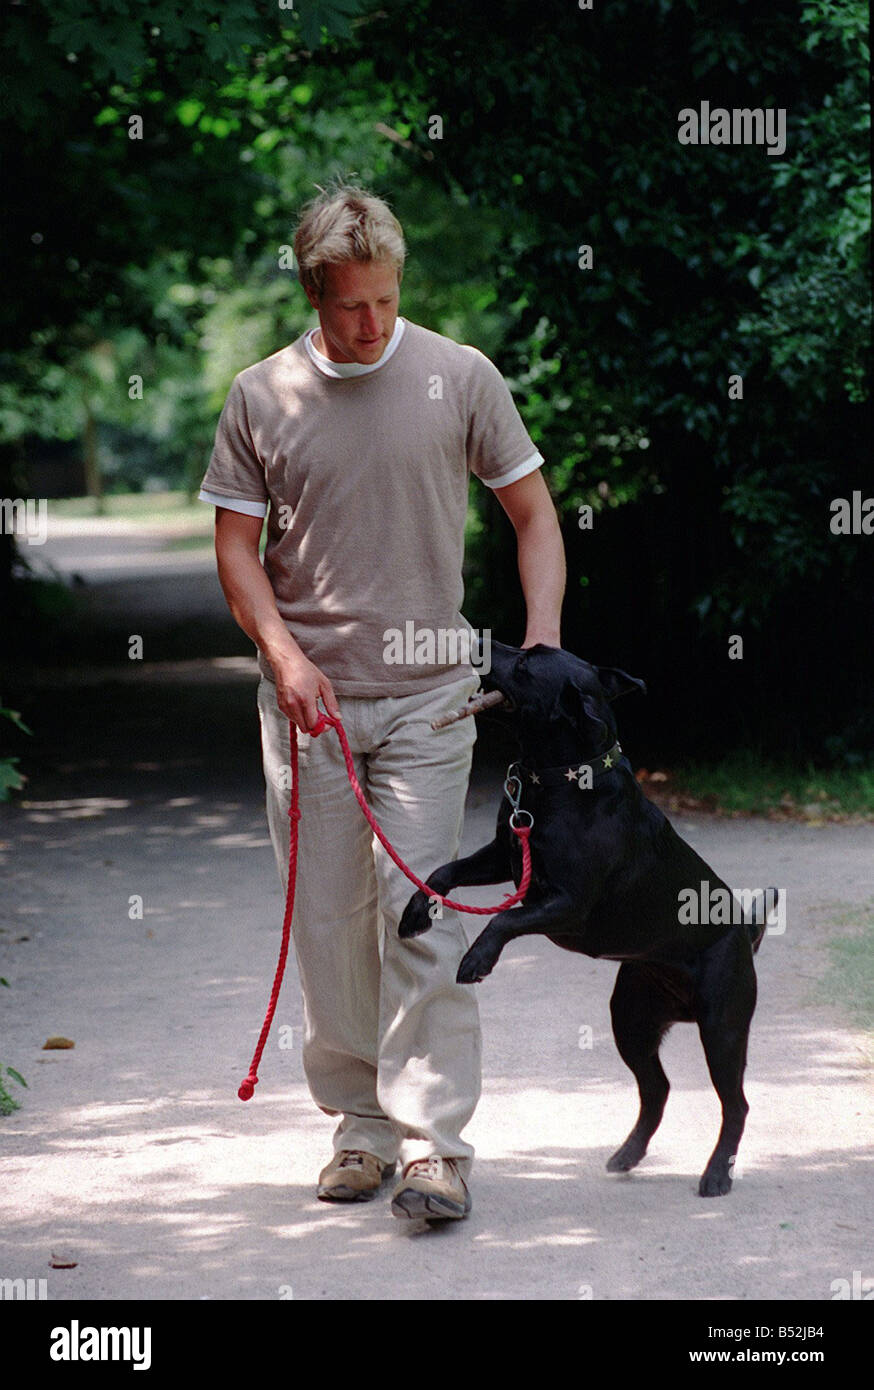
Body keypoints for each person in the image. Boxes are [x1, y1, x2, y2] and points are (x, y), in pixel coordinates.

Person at [199, 183, 565, 1222]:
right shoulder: (260, 396)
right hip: (307, 705)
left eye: (388, 300)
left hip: (428, 703)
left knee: (424, 920)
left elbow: (534, 518)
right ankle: (358, 1129)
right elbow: (234, 549)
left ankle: (435, 1147)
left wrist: (537, 648)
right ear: (314, 290)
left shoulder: (460, 377)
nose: (373, 324)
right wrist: (281, 656)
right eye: (353, 304)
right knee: (329, 922)